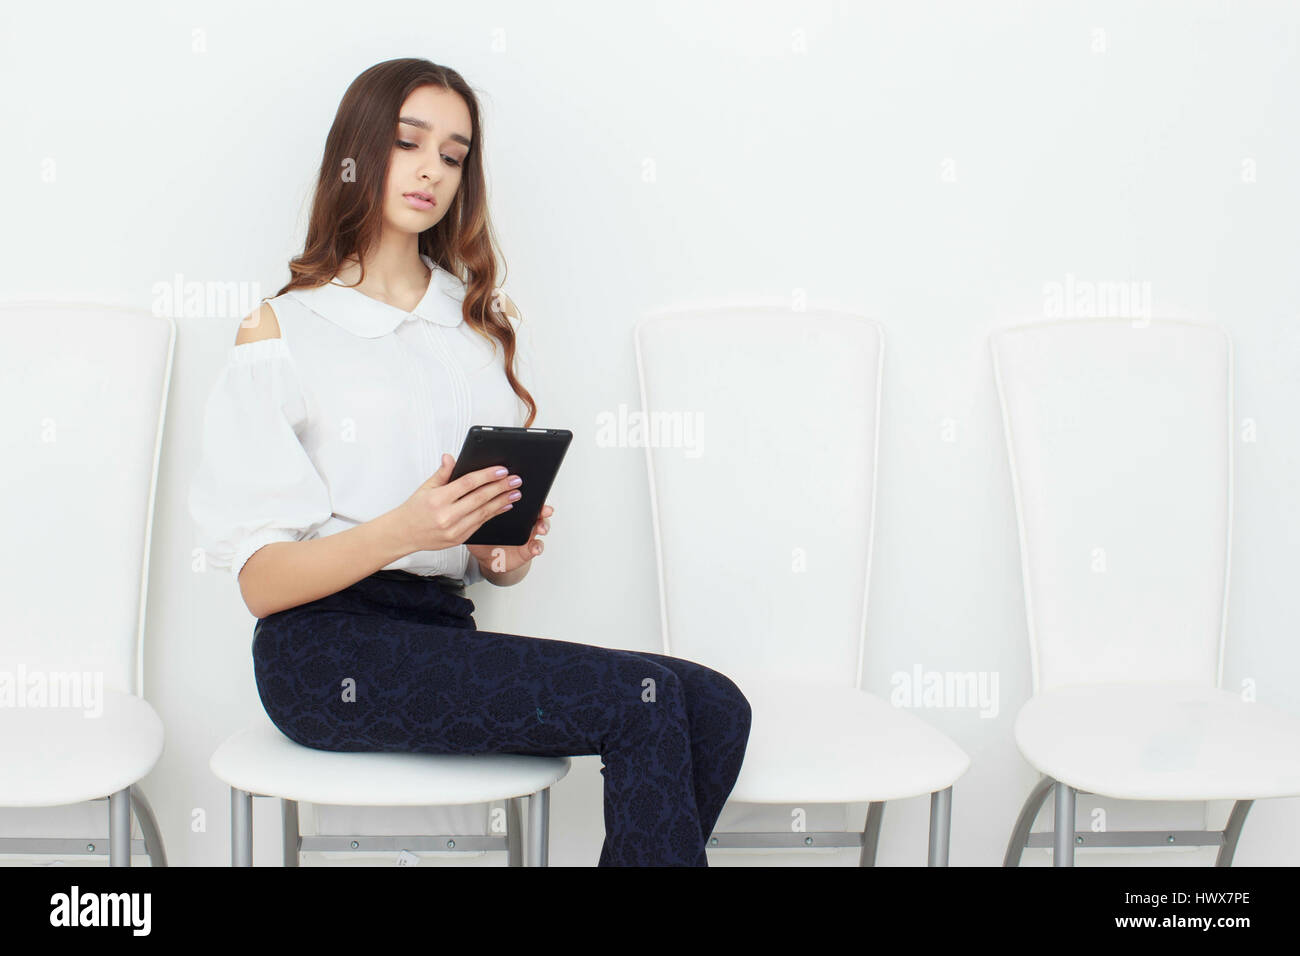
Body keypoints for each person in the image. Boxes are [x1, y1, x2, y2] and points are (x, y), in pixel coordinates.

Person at [188, 58, 751, 866]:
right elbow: (258, 582)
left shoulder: (474, 327)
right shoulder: (280, 332)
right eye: (409, 142)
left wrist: (501, 554)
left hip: (441, 631)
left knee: (718, 706)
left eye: (452, 156)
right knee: (645, 704)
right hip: (326, 653)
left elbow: (484, 556)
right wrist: (402, 529)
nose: (431, 170)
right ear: (356, 152)